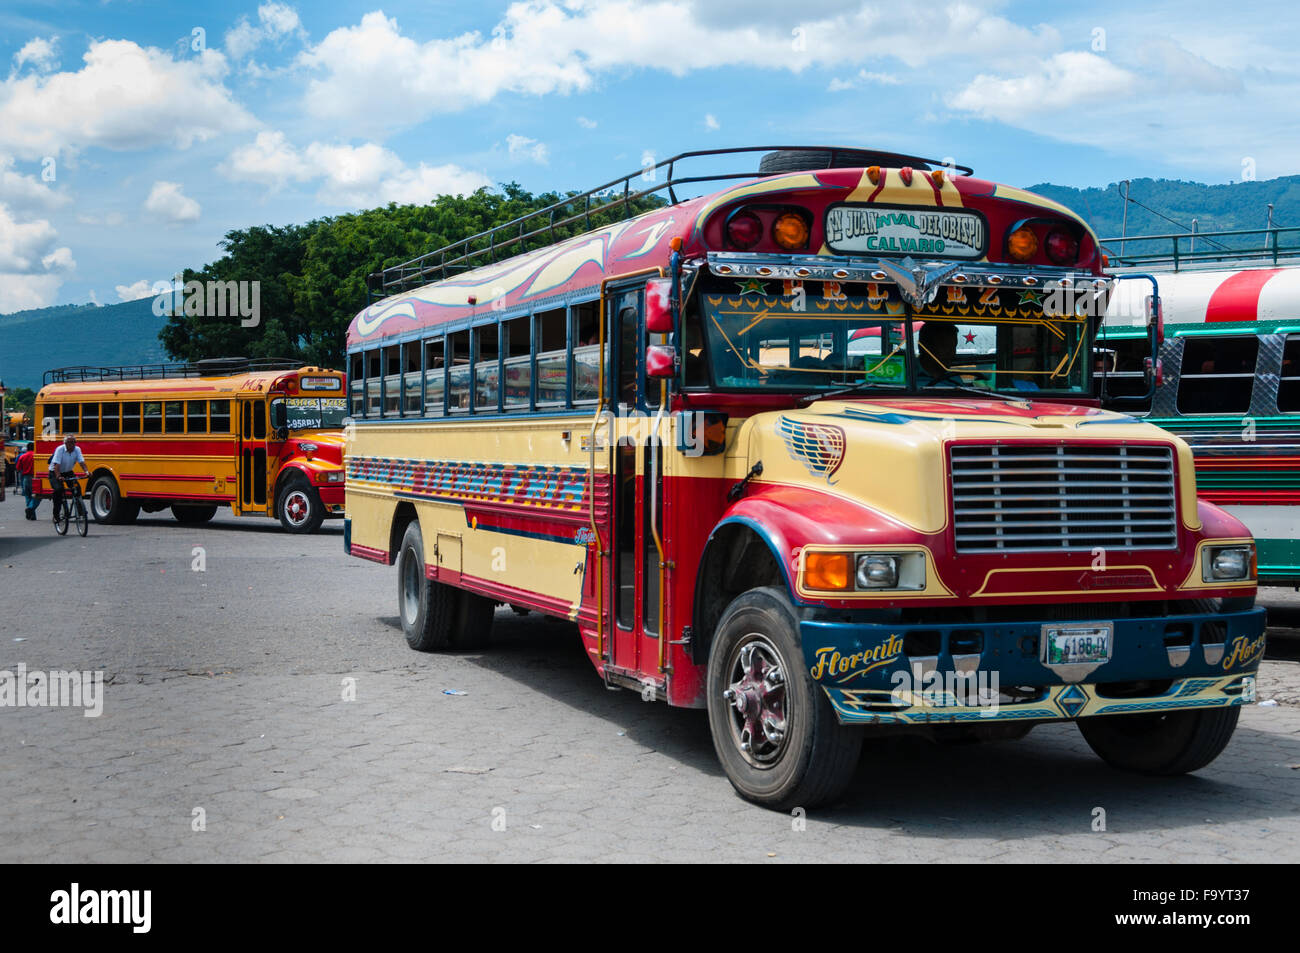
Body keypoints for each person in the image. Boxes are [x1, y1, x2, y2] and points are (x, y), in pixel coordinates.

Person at [48, 434, 89, 521]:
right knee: (58, 490)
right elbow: (56, 464)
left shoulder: (77, 449)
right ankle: (56, 514)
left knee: (77, 488)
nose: (72, 445)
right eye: (70, 443)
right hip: (55, 472)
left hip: (68, 472)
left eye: (74, 442)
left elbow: (81, 462)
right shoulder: (60, 449)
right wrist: (58, 476)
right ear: (65, 443)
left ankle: (80, 509)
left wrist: (87, 472)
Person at [915, 322, 960, 386]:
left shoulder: (955, 378)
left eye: (954, 347)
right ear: (925, 346)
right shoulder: (905, 375)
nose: (951, 352)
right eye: (945, 346)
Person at [16, 445, 38, 520]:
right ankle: (30, 508)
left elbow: (18, 468)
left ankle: (32, 515)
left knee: (28, 495)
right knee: (38, 496)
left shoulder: (22, 456)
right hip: (35, 477)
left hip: (25, 478)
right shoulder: (36, 456)